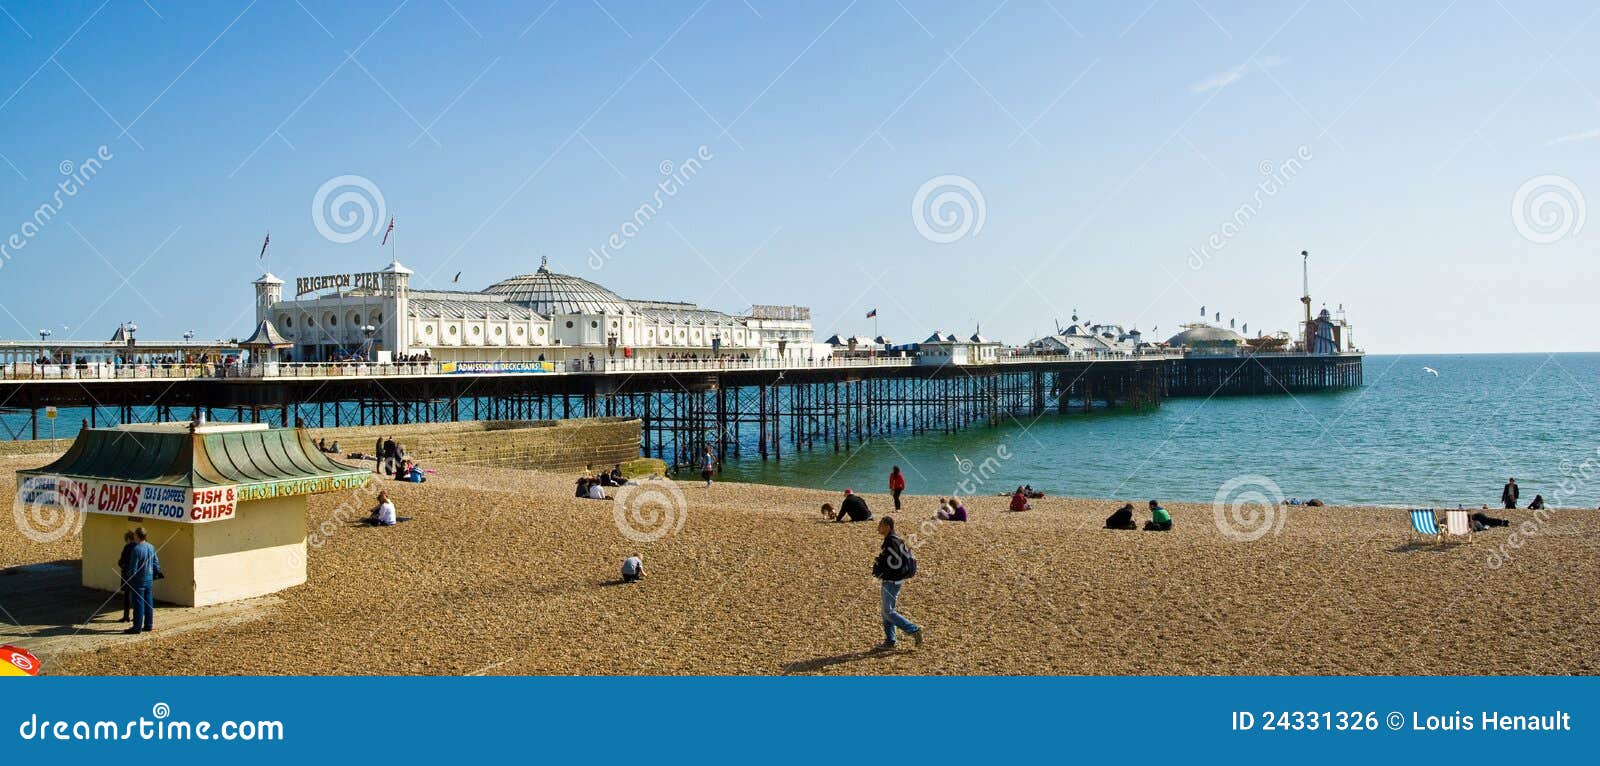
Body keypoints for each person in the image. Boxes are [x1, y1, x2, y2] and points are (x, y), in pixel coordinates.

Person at [872, 517, 923, 650]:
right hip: (893, 580)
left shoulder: (891, 541)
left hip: (892, 581)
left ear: (887, 526)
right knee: (886, 611)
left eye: (880, 525)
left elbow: (894, 562)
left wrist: (880, 568)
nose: (878, 528)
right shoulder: (895, 539)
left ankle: (913, 630)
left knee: (887, 611)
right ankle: (890, 640)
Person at [122, 527, 160, 634]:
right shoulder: (151, 547)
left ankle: (137, 627)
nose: (133, 536)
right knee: (148, 602)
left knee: (138, 604)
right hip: (149, 579)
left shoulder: (136, 549)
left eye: (134, 534)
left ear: (137, 536)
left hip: (138, 580)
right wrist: (155, 574)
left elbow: (133, 568)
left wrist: (129, 577)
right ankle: (148, 625)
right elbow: (156, 563)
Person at [116, 530, 137, 622]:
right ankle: (136, 616)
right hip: (136, 575)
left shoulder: (127, 547)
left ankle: (126, 616)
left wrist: (121, 564)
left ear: (128, 539)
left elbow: (121, 562)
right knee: (136, 596)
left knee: (127, 596)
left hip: (126, 574)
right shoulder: (139, 547)